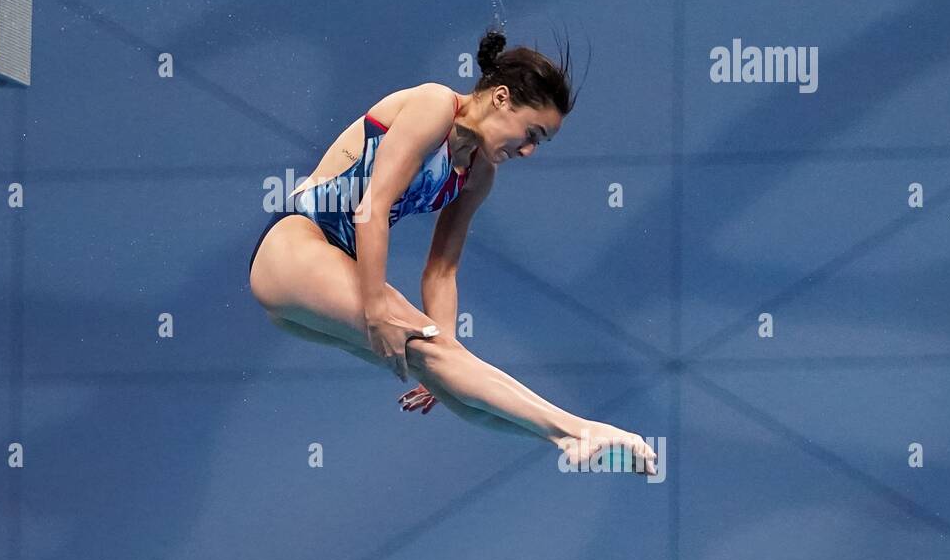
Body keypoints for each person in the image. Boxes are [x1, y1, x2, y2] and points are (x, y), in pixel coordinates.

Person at [248, 29, 656, 475]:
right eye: (531, 132)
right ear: (501, 97)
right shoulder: (434, 105)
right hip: (295, 244)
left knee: (448, 382)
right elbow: (372, 210)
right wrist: (379, 312)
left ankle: (567, 441)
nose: (528, 150)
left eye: (540, 142)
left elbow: (441, 270)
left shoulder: (478, 173)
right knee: (435, 354)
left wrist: (447, 359)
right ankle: (579, 431)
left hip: (315, 277)